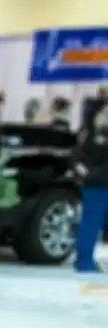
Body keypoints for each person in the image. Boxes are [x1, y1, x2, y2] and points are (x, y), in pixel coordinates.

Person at [73, 106, 108, 273]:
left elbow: (75, 157)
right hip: (102, 184)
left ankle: (83, 259)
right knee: (92, 223)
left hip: (90, 184)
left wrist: (84, 173)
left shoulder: (88, 135)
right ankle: (85, 261)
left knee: (88, 222)